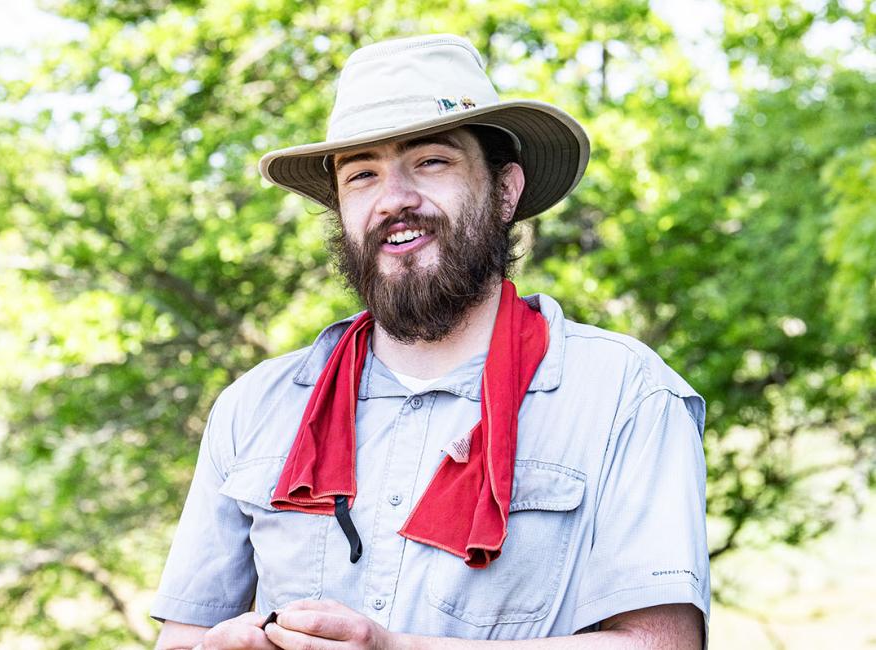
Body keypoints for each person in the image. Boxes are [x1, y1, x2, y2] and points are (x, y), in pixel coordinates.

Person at [151, 34, 709, 649]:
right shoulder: (252, 408)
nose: (395, 199)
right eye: (363, 175)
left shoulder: (624, 393)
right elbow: (183, 640)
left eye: (432, 162)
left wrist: (394, 649)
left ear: (505, 191)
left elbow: (662, 646)